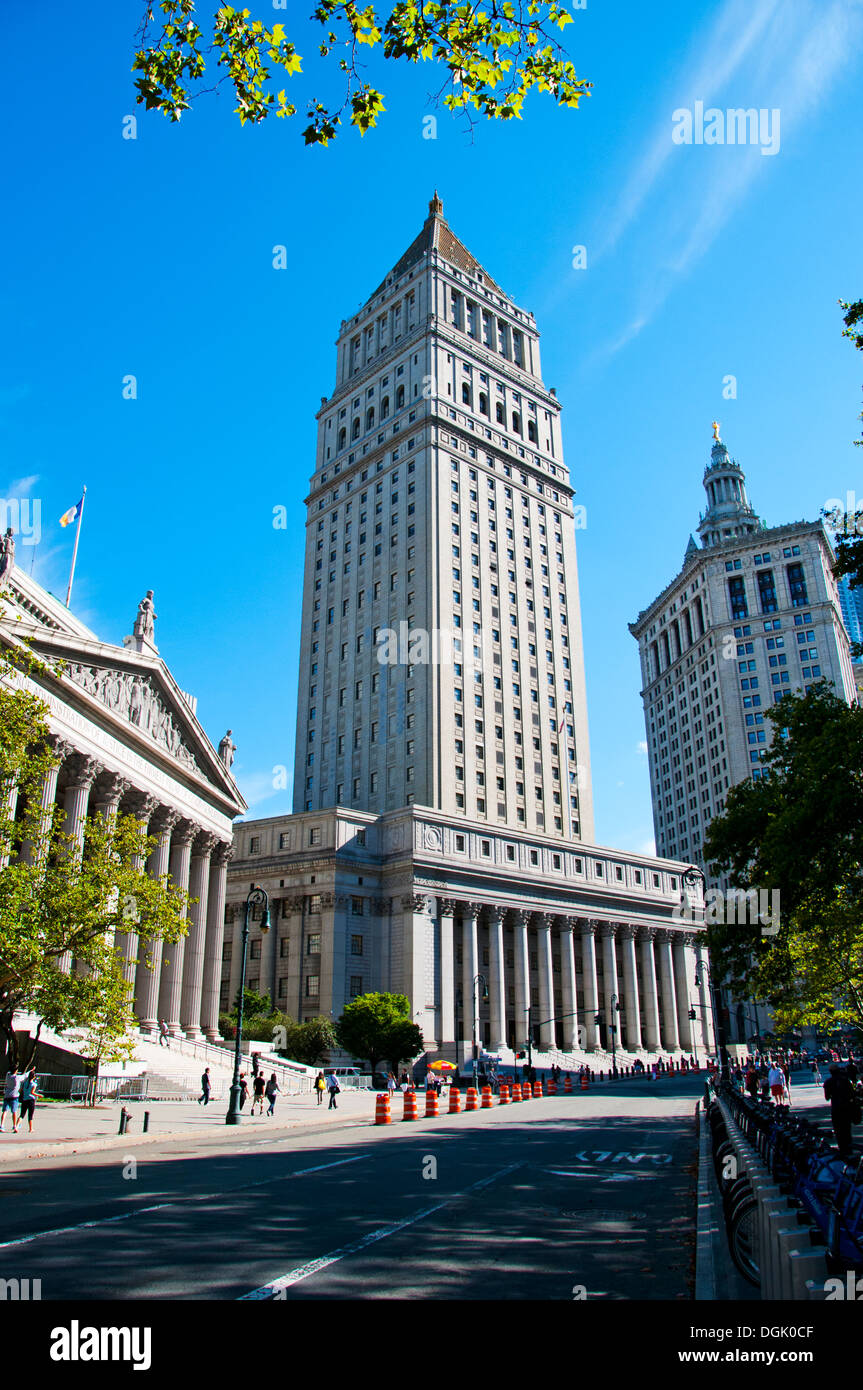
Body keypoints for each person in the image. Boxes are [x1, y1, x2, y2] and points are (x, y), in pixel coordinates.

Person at [824, 1065, 857, 1158]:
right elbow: (852, 1094)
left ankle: (842, 1150)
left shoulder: (828, 1082)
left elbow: (827, 1097)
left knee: (838, 1131)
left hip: (836, 1109)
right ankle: (849, 1149)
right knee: (847, 1130)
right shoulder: (845, 1080)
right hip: (846, 1108)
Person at [1, 1068, 23, 1133]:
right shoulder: (17, 1077)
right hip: (14, 1096)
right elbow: (25, 1076)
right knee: (14, 1111)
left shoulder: (8, 1076)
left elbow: (8, 1072)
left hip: (7, 1095)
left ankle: (1, 1125)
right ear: (16, 1071)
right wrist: (31, 1070)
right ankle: (14, 1126)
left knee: (4, 1111)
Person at [19, 1068, 38, 1133]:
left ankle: (16, 1126)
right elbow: (32, 1092)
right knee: (30, 1115)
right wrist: (38, 1095)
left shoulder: (25, 1083)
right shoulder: (34, 1084)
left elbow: (20, 1090)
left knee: (22, 1114)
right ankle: (30, 1128)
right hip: (31, 1100)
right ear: (34, 1077)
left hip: (24, 1099)